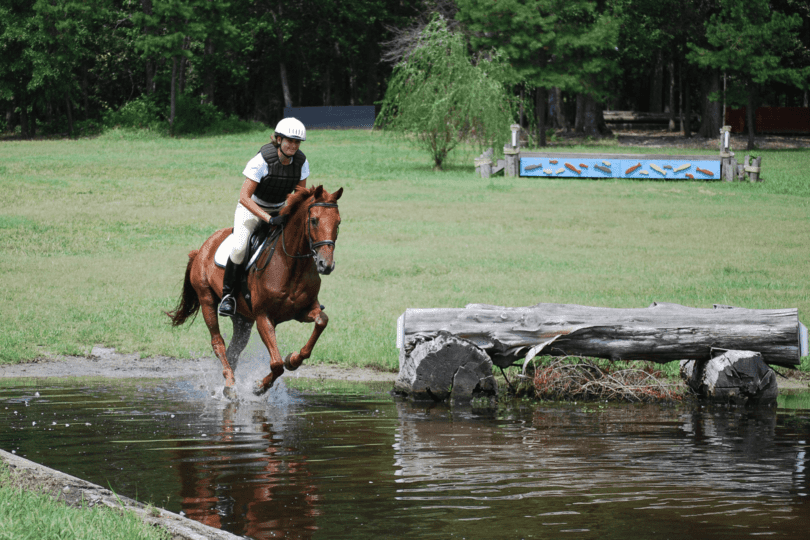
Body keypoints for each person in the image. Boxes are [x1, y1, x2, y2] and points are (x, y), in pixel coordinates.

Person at [219, 117, 309, 317]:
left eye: (297, 142)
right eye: (289, 140)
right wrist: (268, 219)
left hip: (279, 209)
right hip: (251, 209)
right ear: (278, 139)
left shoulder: (301, 162)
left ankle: (305, 296)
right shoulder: (261, 161)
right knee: (240, 247)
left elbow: (299, 195)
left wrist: (290, 215)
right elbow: (244, 197)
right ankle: (228, 296)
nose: (293, 145)